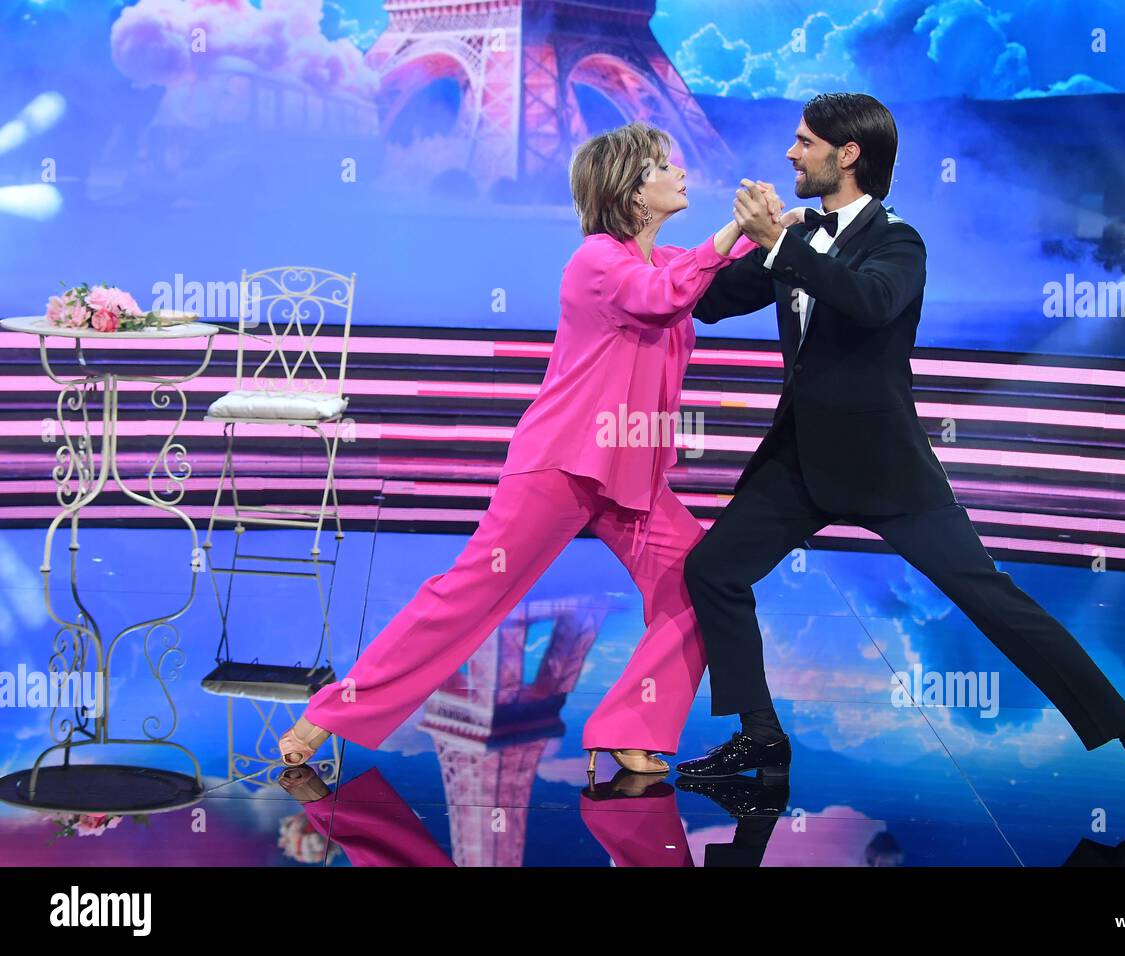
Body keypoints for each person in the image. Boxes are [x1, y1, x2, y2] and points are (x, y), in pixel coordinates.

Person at [674, 92, 1125, 811]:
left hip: (887, 468)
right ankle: (761, 734)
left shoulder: (899, 242)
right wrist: (749, 235)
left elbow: (867, 302)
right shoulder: (799, 235)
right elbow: (710, 304)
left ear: (848, 155)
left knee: (995, 603)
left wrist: (780, 243)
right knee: (714, 569)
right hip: (800, 462)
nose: (789, 152)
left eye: (804, 142)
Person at [278, 121, 766, 776]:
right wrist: (733, 231)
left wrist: (798, 225)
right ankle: (330, 714)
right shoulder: (597, 261)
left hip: (633, 479)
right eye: (661, 167)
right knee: (468, 596)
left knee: (703, 583)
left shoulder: (668, 257)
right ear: (629, 192)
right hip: (561, 468)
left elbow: (729, 268)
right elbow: (660, 300)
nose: (679, 173)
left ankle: (630, 725)